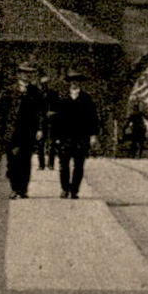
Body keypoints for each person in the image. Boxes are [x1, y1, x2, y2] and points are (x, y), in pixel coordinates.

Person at [0, 62, 47, 199]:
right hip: (12, 132)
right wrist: (0, 131)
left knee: (25, 161)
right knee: (12, 162)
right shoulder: (8, 91)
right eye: (24, 72)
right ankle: (14, 188)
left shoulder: (35, 92)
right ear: (19, 74)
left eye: (29, 73)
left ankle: (22, 189)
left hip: (28, 132)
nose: (27, 75)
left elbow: (40, 112)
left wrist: (40, 129)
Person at [53, 69, 101, 199]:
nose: (74, 83)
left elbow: (93, 118)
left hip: (81, 136)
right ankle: (64, 189)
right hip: (65, 136)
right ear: (69, 83)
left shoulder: (86, 98)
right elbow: (56, 120)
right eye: (72, 81)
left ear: (80, 83)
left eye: (77, 81)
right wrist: (56, 137)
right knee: (64, 164)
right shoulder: (62, 98)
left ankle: (74, 190)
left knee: (79, 165)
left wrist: (93, 135)